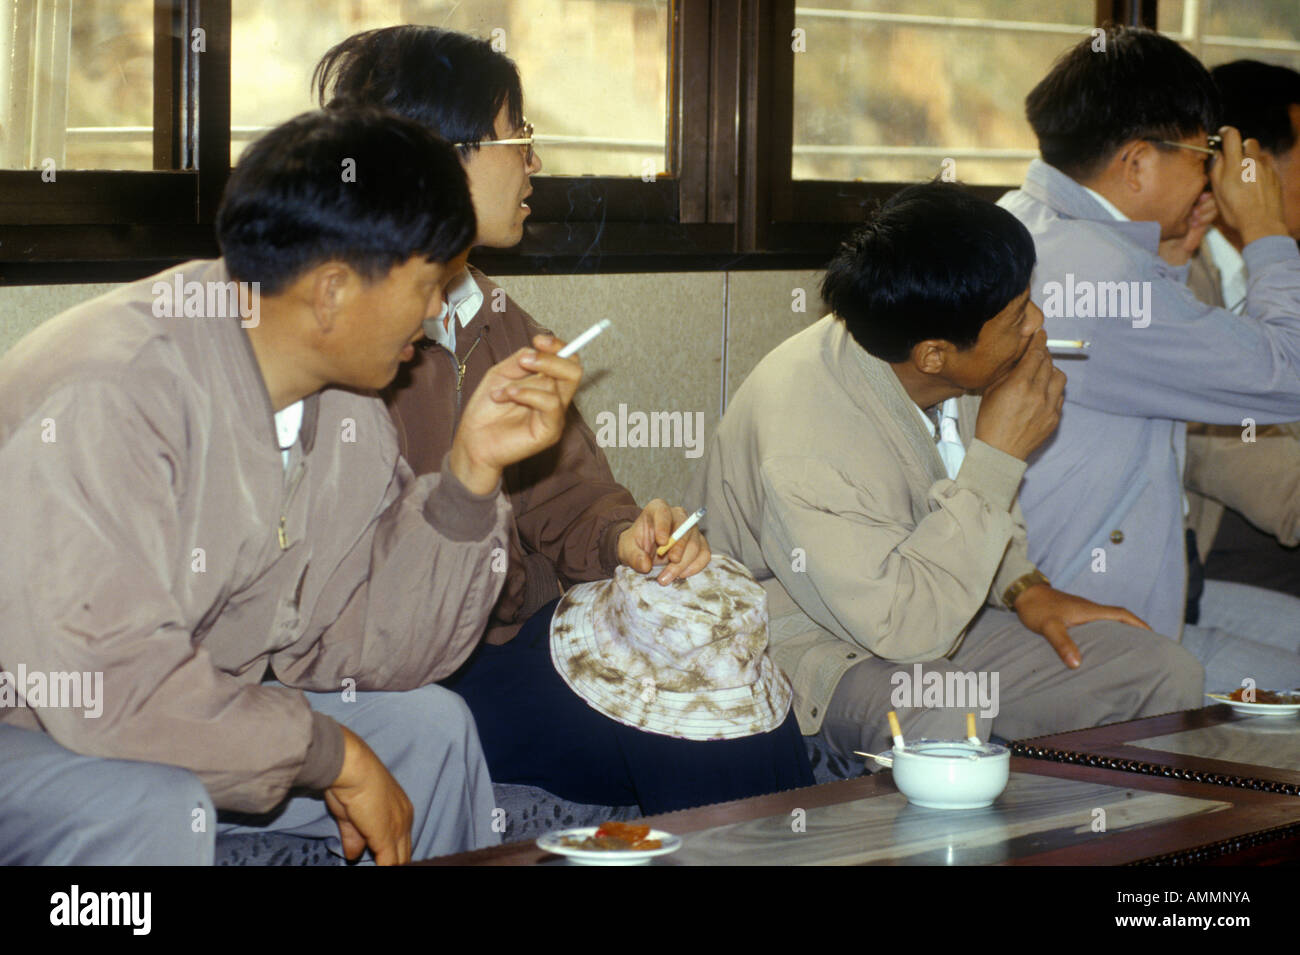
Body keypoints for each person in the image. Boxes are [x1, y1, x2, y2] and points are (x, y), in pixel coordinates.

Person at [0, 107, 583, 864]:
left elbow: (357, 646)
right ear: (332, 291)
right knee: (155, 805)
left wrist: (470, 476)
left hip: (167, 719)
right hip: (42, 725)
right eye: (429, 283)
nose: (440, 311)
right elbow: (112, 690)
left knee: (432, 731)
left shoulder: (344, 409)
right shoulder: (112, 389)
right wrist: (327, 753)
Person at [312, 26, 813, 813]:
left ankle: (787, 836)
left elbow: (565, 496)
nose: (534, 162)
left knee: (701, 614)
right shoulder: (347, 342)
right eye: (518, 137)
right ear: (442, 158)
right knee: (689, 681)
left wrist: (628, 536)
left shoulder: (493, 313)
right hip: (424, 671)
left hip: (518, 642)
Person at [687, 181, 1204, 759]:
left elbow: (969, 514)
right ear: (934, 352)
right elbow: (906, 634)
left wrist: (1026, 587)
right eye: (1015, 317)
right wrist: (1001, 455)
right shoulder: (804, 444)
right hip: (809, 639)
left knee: (1160, 671)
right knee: (941, 710)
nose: (1036, 322)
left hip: (940, 609)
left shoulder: (944, 362)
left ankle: (1110, 843)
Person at [998, 26, 1300, 692]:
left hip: (1103, 609)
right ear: (1135, 165)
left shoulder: (1028, 226)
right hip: (1088, 640)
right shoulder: (1107, 278)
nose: (1210, 177)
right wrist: (1269, 232)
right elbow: (1288, 376)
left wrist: (1166, 265)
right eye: (1201, 154)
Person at [1178, 60, 1300, 604]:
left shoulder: (1283, 257)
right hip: (1227, 555)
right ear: (1249, 166)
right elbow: (1264, 478)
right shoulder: (1175, 277)